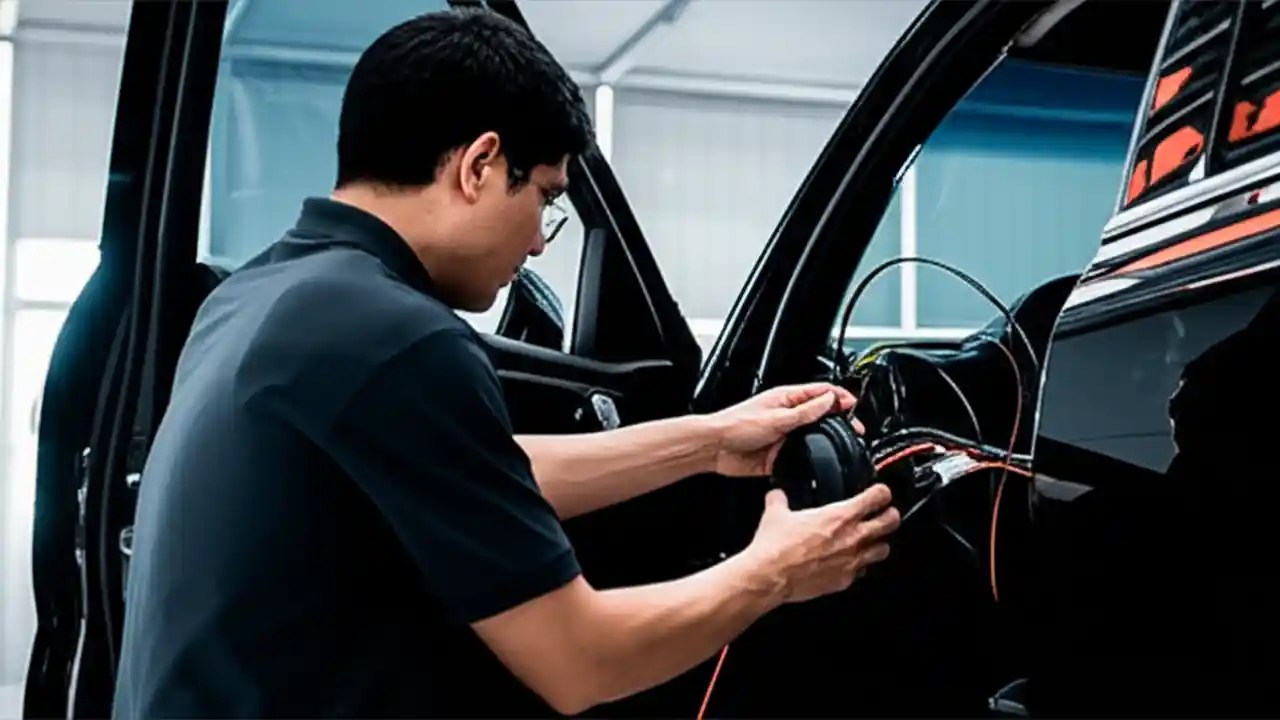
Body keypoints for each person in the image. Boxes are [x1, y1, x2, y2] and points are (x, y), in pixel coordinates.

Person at [111, 8, 900, 719]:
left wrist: (709, 441)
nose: (534, 244)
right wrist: (775, 573)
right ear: (481, 165)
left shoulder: (260, 297)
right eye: (547, 200)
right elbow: (581, 662)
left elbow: (475, 469)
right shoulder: (399, 337)